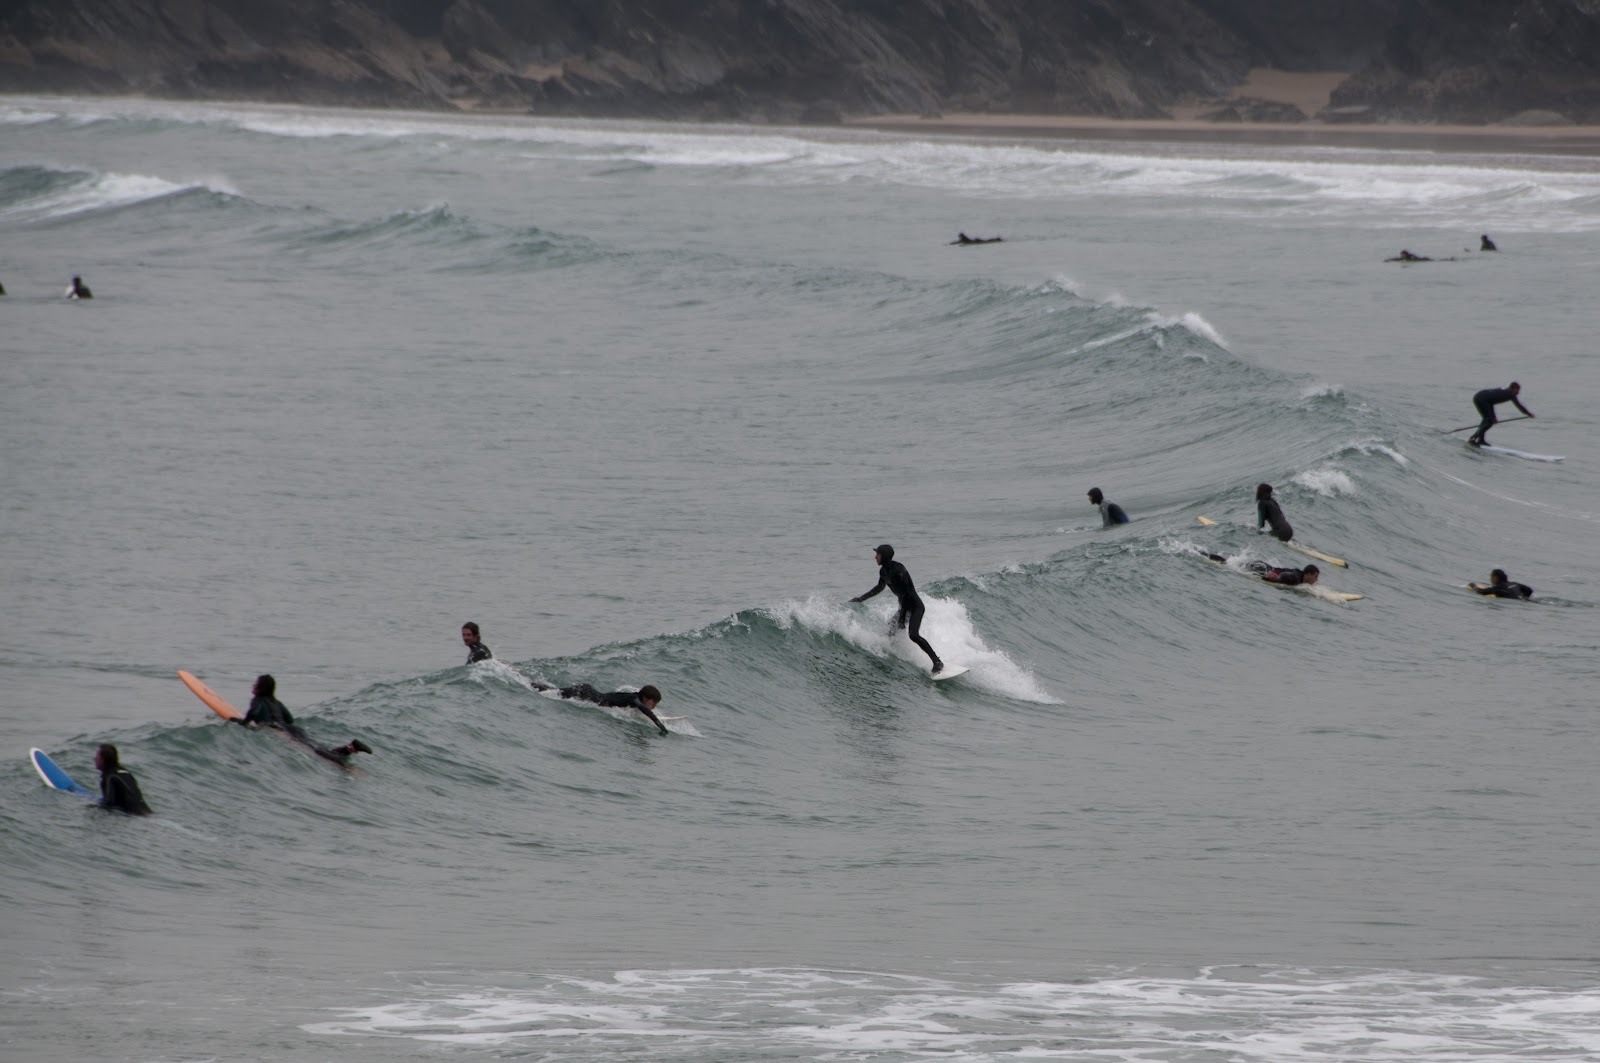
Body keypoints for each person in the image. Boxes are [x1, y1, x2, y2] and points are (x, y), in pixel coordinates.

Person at [850, 543, 944, 674]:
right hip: (904, 607)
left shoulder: (899, 570)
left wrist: (901, 616)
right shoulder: (883, 571)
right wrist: (861, 598)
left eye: (877, 554)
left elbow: (906, 594)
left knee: (913, 635)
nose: (875, 557)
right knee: (891, 631)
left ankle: (937, 662)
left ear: (884, 556)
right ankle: (896, 657)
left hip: (915, 607)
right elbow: (879, 588)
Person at [240, 674, 373, 763]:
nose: (253, 686)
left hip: (280, 730)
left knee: (315, 752)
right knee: (317, 748)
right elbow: (289, 719)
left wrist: (243, 723)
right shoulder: (277, 702)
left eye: (255, 684)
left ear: (259, 688)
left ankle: (347, 751)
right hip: (293, 729)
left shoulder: (257, 700)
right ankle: (349, 748)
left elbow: (254, 712)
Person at [558, 683, 669, 735]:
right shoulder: (634, 700)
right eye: (653, 703)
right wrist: (661, 727)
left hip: (589, 692)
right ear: (645, 698)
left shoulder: (634, 697)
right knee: (550, 692)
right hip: (585, 694)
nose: (654, 707)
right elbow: (644, 710)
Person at [1466, 382, 1533, 447]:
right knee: (1488, 420)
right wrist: (1529, 413)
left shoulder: (1506, 391)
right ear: (1514, 389)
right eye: (1518, 390)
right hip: (1481, 399)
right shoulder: (1511, 394)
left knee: (1488, 420)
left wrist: (1494, 417)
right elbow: (1519, 406)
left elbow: (1490, 402)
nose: (1518, 393)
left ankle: (1480, 440)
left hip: (1480, 397)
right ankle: (1473, 438)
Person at [95, 743, 153, 815]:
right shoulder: (125, 772)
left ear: (103, 760)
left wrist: (95, 808)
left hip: (135, 815)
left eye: (97, 756)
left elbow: (110, 803)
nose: (94, 758)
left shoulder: (109, 777)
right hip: (147, 812)